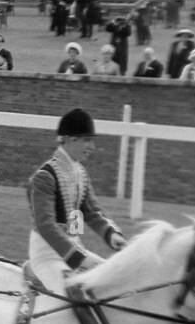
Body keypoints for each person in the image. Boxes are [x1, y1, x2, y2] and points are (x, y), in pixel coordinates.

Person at [26, 107, 126, 294]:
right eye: (87, 140)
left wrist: (112, 234)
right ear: (71, 139)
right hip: (48, 254)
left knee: (113, 282)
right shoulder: (45, 176)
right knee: (74, 297)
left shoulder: (80, 173)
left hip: (74, 249)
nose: (92, 147)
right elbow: (45, 225)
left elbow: (90, 212)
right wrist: (77, 258)